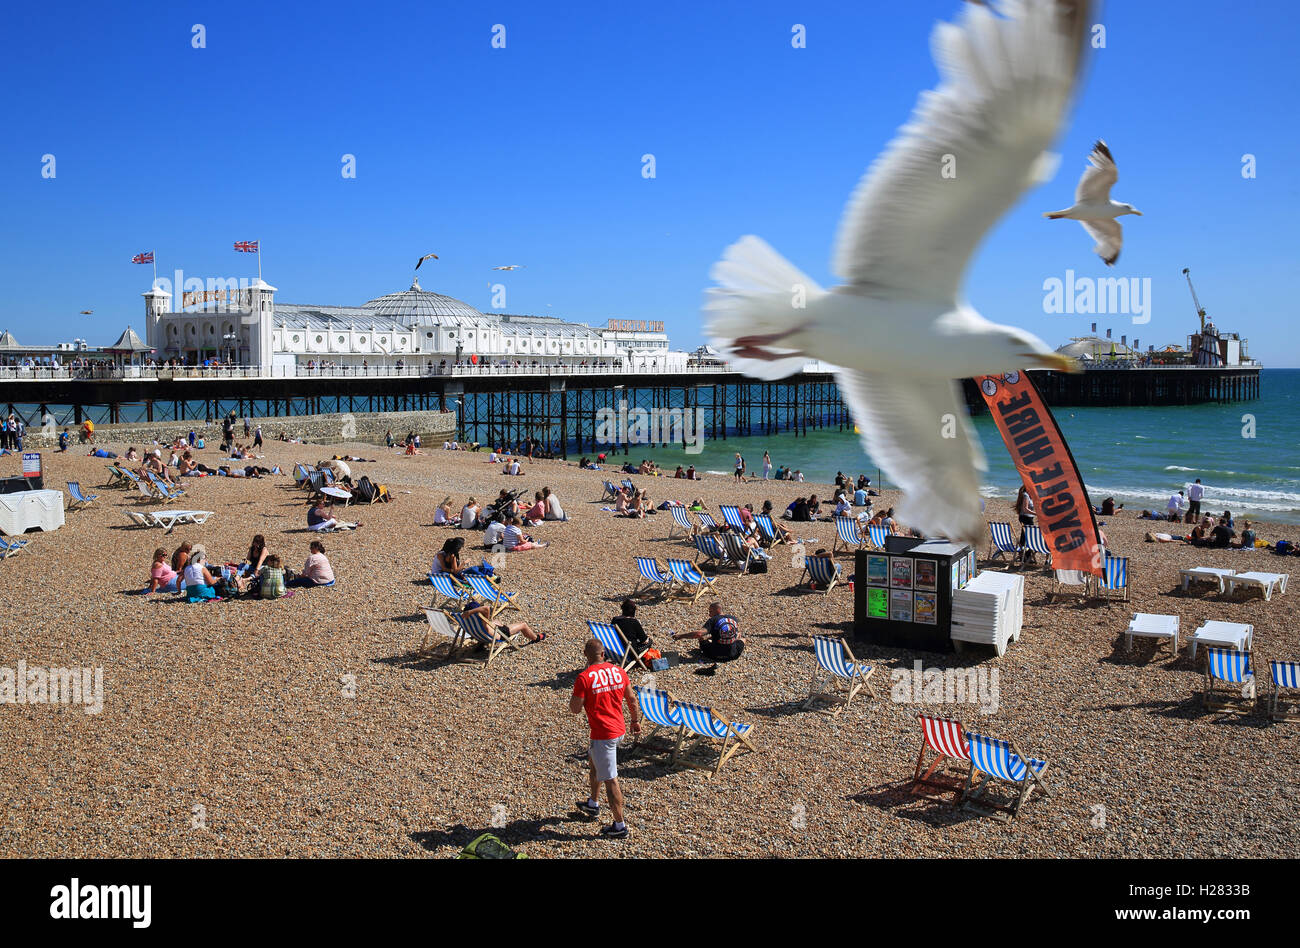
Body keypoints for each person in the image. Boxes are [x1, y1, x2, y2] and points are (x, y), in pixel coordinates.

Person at [569, 636, 639, 839]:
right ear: (603, 654)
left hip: (604, 734)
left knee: (611, 780)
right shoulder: (619, 671)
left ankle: (620, 826)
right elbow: (631, 699)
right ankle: (593, 803)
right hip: (619, 729)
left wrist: (581, 697)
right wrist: (635, 722)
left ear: (585, 655)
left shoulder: (584, 677)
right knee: (593, 761)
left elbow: (575, 709)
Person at [673, 601, 744, 662]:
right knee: (743, 639)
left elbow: (699, 634)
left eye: (710, 611)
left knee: (702, 637)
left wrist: (680, 636)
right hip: (733, 655)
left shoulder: (713, 620)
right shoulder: (733, 619)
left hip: (714, 656)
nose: (709, 614)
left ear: (718, 610)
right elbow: (737, 634)